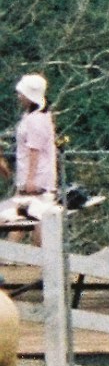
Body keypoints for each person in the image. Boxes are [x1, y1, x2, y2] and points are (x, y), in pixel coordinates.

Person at [8, 73, 53, 245]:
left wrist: (31, 179)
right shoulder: (33, 116)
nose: (19, 97)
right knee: (30, 216)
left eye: (22, 93)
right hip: (32, 176)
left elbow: (35, 150)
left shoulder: (36, 120)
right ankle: (29, 256)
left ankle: (13, 255)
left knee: (23, 215)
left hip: (35, 178)